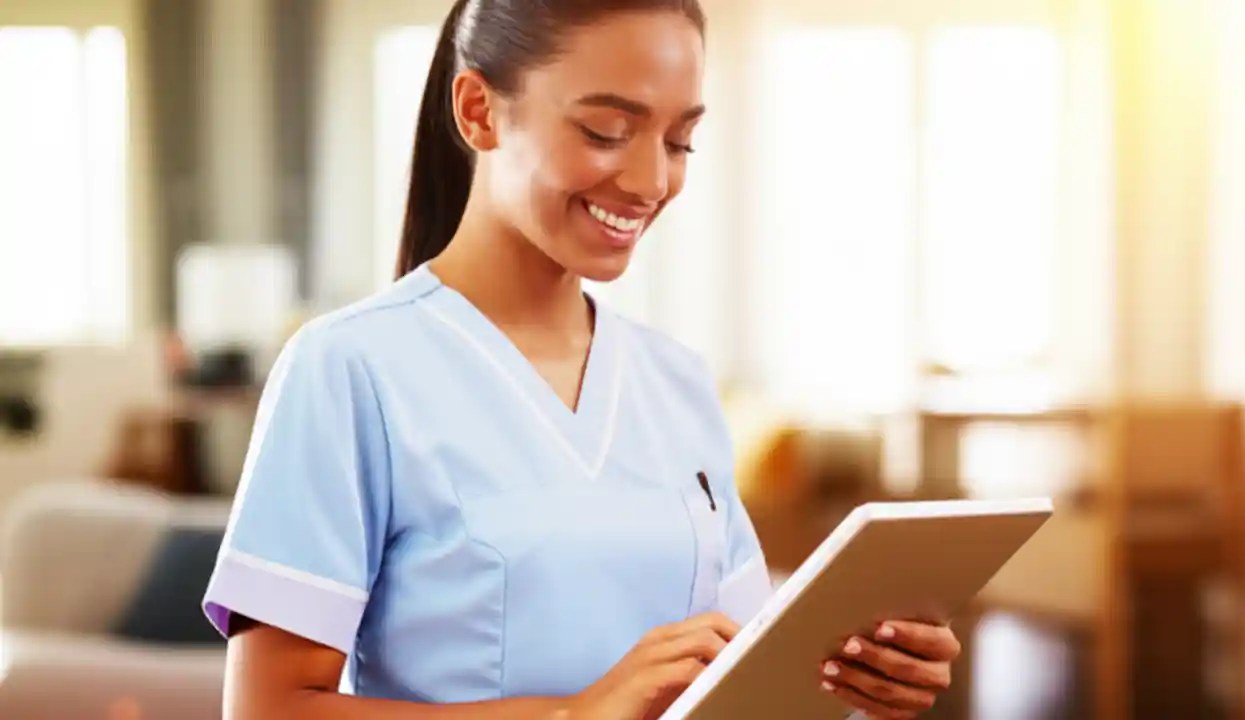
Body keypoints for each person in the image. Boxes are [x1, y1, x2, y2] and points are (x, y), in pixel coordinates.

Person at [202, 1, 962, 718]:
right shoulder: (350, 369)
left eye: (678, 141)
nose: (651, 182)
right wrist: (571, 713)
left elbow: (739, 680)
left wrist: (856, 679)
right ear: (479, 111)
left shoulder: (677, 382)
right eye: (606, 130)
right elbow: (271, 708)